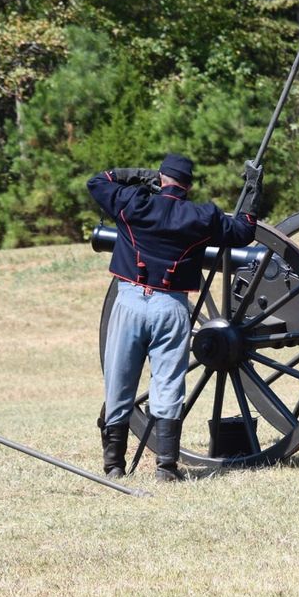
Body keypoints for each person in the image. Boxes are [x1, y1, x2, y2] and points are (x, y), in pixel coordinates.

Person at [88, 153, 260, 481]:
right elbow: (243, 231)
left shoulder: (133, 203)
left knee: (119, 383)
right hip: (171, 308)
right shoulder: (201, 216)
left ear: (161, 178)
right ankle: (166, 467)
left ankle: (113, 467)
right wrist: (252, 187)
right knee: (168, 384)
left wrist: (137, 174)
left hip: (130, 302)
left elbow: (97, 182)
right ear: (189, 186)